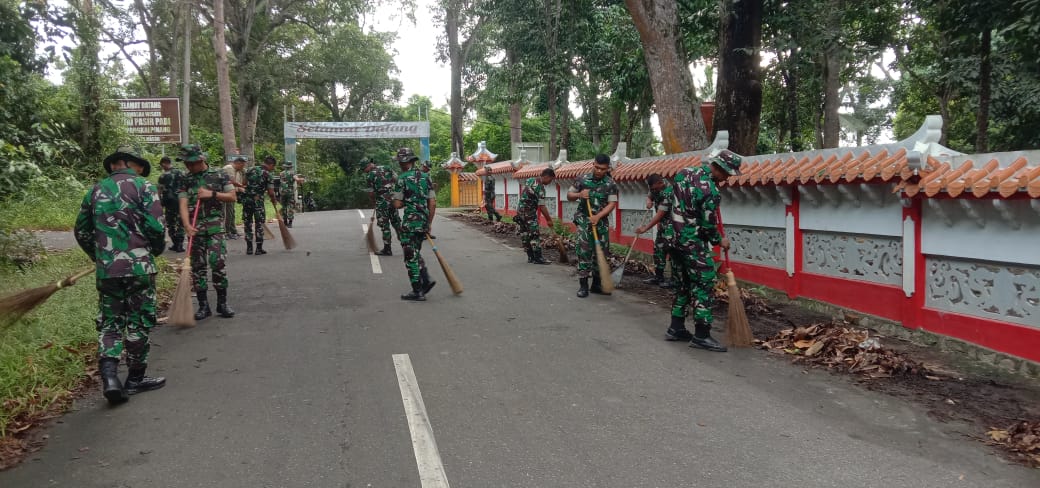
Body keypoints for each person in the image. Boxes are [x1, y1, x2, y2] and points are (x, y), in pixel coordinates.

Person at [74, 145, 167, 404]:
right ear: (130, 163)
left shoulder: (95, 190)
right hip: (139, 268)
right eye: (141, 166)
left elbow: (81, 230)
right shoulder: (144, 186)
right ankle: (135, 379)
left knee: (110, 322)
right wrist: (153, 251)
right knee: (138, 320)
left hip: (108, 270)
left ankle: (110, 378)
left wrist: (99, 256)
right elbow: (156, 227)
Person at [665, 149, 742, 352]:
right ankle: (702, 335)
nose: (727, 178)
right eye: (726, 174)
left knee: (683, 283)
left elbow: (670, 199)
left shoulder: (684, 173)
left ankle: (676, 327)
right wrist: (720, 240)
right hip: (691, 242)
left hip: (672, 240)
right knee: (704, 283)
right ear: (718, 168)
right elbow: (708, 226)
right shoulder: (711, 192)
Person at [177, 144, 237, 320]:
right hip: (195, 228)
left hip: (215, 226)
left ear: (201, 159)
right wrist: (187, 225)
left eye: (191, 163)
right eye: (186, 163)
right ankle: (203, 306)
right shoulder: (185, 179)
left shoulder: (219, 175)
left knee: (217, 262)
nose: (188, 166)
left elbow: (232, 196)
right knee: (198, 267)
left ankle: (222, 303)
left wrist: (212, 194)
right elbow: (182, 203)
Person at [566, 154, 618, 298]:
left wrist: (598, 216)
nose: (599, 171)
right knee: (584, 251)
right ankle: (583, 286)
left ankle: (596, 284)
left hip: (601, 221)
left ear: (607, 168)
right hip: (584, 220)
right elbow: (569, 195)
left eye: (603, 169)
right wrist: (579, 195)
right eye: (597, 167)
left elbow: (612, 204)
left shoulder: (611, 184)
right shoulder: (582, 179)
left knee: (602, 252)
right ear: (593, 164)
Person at [391, 147, 437, 301]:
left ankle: (417, 291)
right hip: (423, 221)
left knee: (410, 256)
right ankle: (426, 279)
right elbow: (432, 203)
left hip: (410, 224)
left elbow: (397, 204)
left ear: (403, 162)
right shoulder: (426, 177)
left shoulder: (402, 179)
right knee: (415, 252)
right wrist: (429, 223)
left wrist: (401, 199)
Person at [636, 173, 676, 289]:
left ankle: (674, 280)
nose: (653, 190)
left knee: (672, 252)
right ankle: (658, 277)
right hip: (663, 226)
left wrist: (645, 228)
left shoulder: (668, 193)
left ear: (660, 183)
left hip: (672, 226)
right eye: (652, 188)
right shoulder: (655, 187)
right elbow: (650, 195)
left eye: (654, 188)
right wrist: (648, 200)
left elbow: (659, 215)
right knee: (659, 249)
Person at [516, 168, 557, 265]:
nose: (550, 182)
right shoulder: (540, 188)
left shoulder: (530, 180)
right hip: (529, 213)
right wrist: (549, 220)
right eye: (551, 180)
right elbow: (542, 206)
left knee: (525, 234)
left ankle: (530, 257)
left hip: (520, 212)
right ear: (546, 177)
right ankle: (538, 258)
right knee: (534, 234)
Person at [363, 160, 402, 256]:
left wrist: (374, 202)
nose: (364, 171)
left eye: (364, 169)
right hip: (392, 200)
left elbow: (371, 193)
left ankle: (387, 249)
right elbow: (397, 180)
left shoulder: (370, 176)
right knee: (397, 223)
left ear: (368, 165)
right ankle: (407, 245)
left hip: (382, 203)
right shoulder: (387, 168)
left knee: (385, 226)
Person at [242, 155, 277, 255]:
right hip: (258, 202)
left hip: (247, 200)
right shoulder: (268, 175)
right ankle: (258, 249)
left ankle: (249, 248)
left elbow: (243, 183)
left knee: (247, 223)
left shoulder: (250, 169)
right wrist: (274, 201)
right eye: (273, 166)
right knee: (259, 224)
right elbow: (271, 192)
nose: (273, 169)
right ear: (271, 165)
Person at [157, 156, 186, 252]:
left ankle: (175, 243)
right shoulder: (181, 173)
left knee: (171, 223)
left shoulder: (163, 176)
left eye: (162, 165)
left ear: (164, 163)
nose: (162, 167)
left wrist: (159, 203)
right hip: (181, 201)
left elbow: (159, 190)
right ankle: (180, 245)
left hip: (169, 203)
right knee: (180, 223)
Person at [222, 155, 247, 238]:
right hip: (226, 193)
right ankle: (226, 232)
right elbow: (231, 181)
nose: (243, 168)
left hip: (232, 193)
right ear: (238, 163)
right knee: (227, 213)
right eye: (242, 166)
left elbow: (237, 184)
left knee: (232, 213)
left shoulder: (237, 171)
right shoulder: (229, 168)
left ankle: (232, 230)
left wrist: (240, 188)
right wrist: (241, 186)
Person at [279, 161, 304, 228]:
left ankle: (285, 221)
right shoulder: (293, 173)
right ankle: (290, 222)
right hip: (290, 192)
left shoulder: (281, 173)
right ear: (291, 167)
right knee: (290, 206)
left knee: (283, 206)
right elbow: (297, 179)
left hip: (282, 192)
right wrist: (301, 180)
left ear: (285, 166)